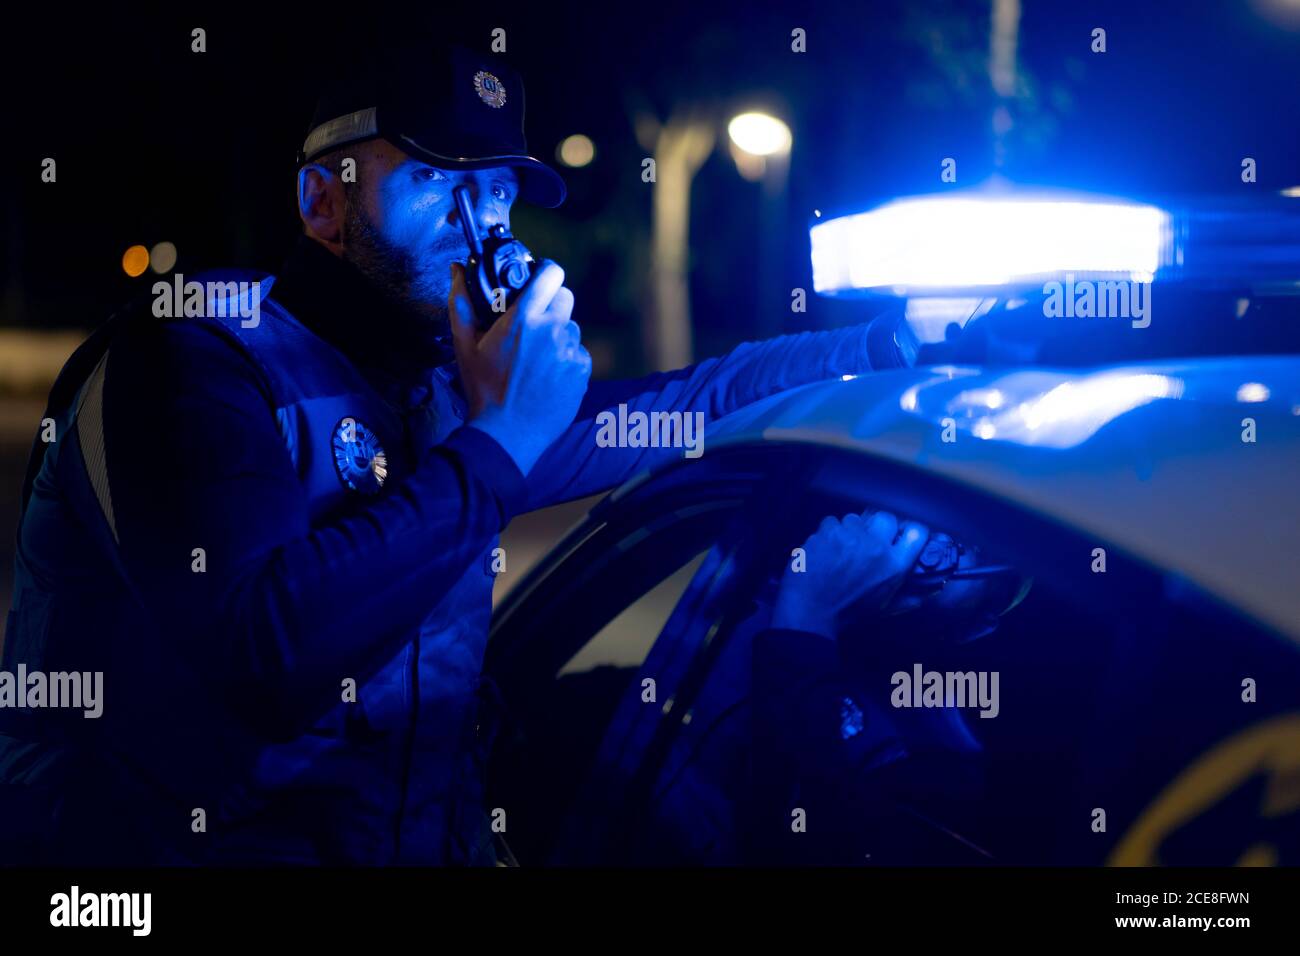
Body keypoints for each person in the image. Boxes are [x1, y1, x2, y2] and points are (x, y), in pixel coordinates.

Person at [0, 43, 919, 866]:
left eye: (500, 189)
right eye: (441, 179)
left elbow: (693, 405)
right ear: (323, 201)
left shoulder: (441, 389)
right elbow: (261, 651)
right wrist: (501, 441)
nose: (484, 224)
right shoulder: (193, 357)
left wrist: (891, 346)